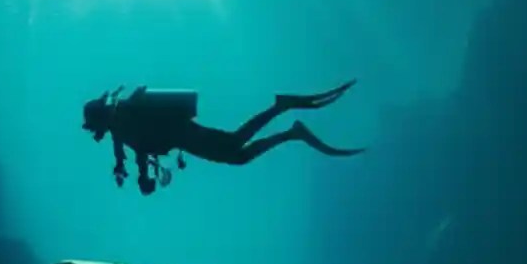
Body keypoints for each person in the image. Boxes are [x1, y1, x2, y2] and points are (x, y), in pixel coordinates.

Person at [81, 80, 364, 195]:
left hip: (185, 136)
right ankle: (291, 129)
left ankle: (283, 111)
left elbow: (140, 147)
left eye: (94, 126)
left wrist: (142, 176)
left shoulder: (122, 119)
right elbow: (126, 151)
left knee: (235, 145)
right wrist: (129, 169)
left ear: (98, 118)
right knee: (237, 153)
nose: (96, 132)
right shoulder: (118, 124)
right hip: (184, 138)